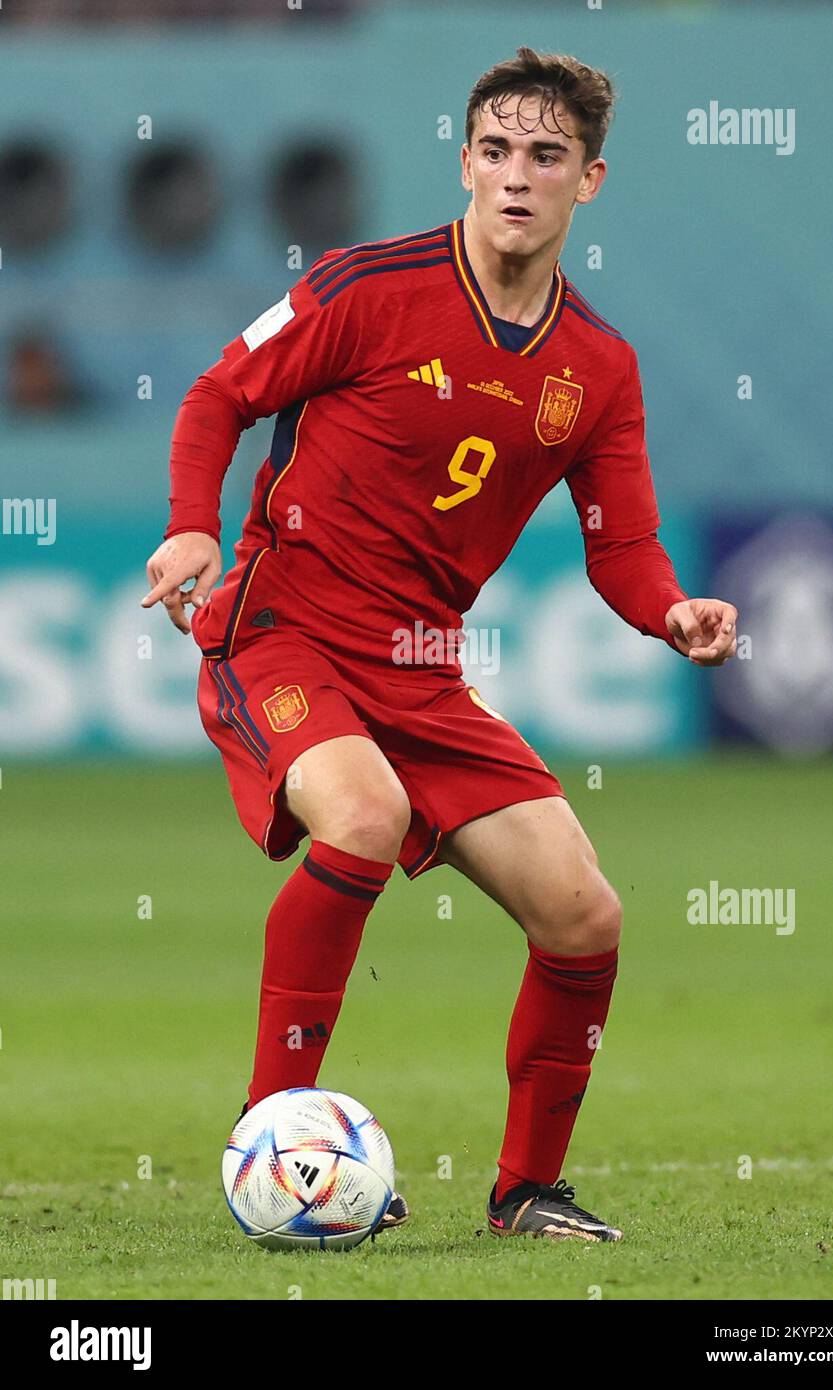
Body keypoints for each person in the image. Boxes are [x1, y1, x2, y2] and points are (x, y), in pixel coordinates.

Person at [143, 47, 737, 1243]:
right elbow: (218, 397)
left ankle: (525, 1193)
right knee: (358, 815)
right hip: (284, 625)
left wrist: (672, 609)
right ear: (465, 160)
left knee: (587, 914)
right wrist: (192, 529)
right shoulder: (364, 286)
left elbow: (623, 546)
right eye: (499, 151)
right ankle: (274, 1135)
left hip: (423, 669)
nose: (518, 177)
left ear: (591, 181)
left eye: (547, 157)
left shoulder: (599, 369)